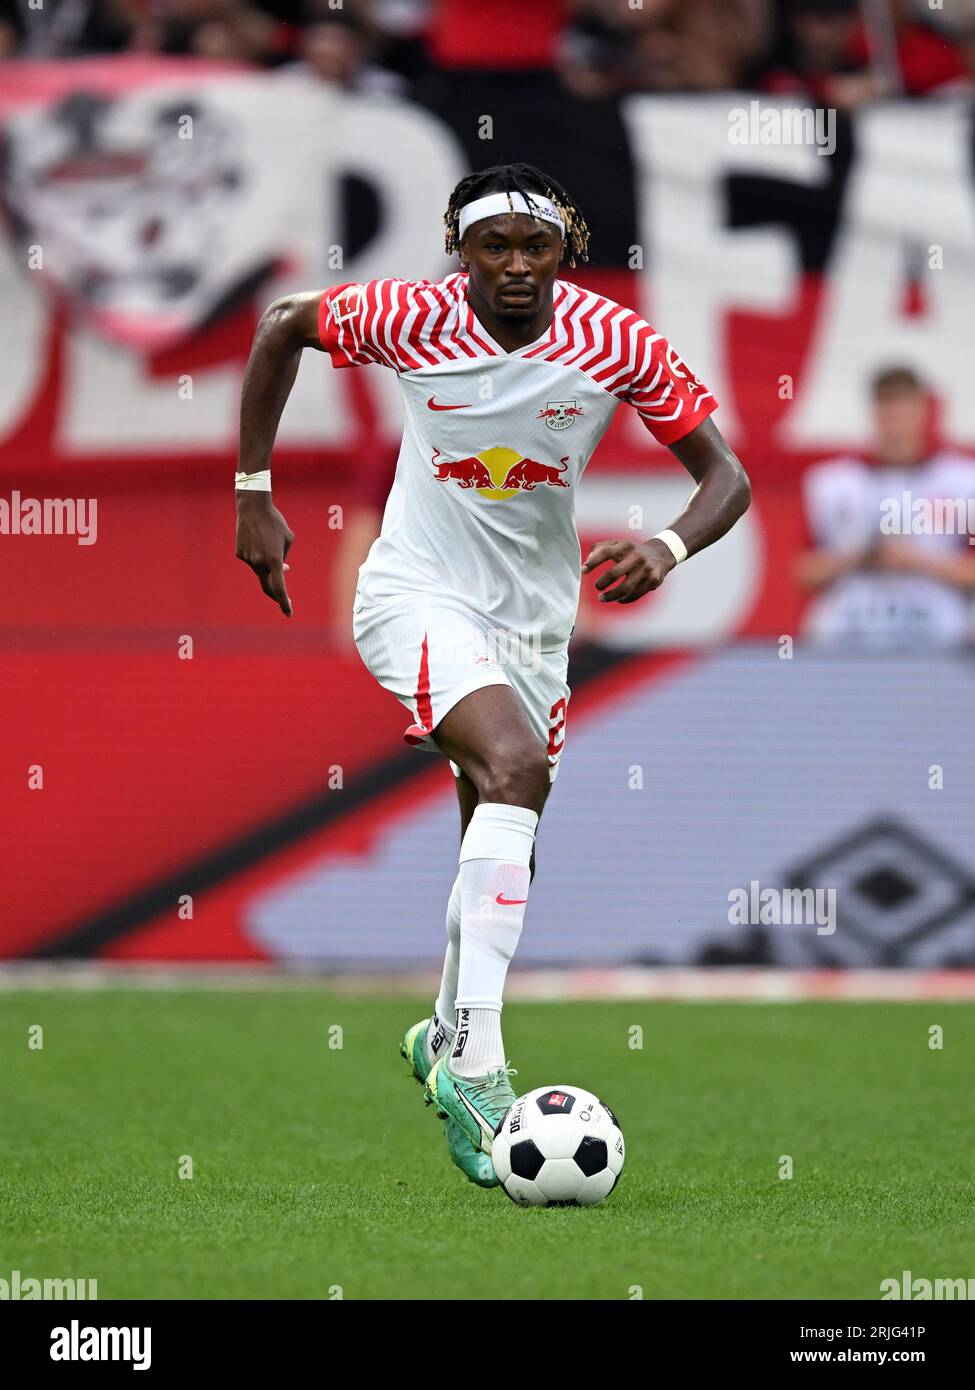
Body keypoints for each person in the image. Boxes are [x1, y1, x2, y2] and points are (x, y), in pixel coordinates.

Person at [234, 163, 750, 1186]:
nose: (516, 266)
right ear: (457, 248)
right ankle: (478, 1062)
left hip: (533, 621)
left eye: (537, 247)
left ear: (569, 249)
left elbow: (725, 476)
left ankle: (440, 1031)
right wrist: (254, 490)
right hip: (415, 591)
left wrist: (671, 547)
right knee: (514, 766)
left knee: (500, 818)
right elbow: (283, 322)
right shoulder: (408, 315)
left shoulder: (616, 341)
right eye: (493, 247)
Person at [797, 366, 975, 647]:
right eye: (889, 410)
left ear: (923, 411)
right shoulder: (834, 483)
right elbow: (806, 573)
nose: (896, 423)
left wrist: (915, 559)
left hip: (937, 635)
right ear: (875, 412)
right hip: (851, 631)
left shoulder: (963, 481)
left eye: (904, 410)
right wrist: (862, 556)